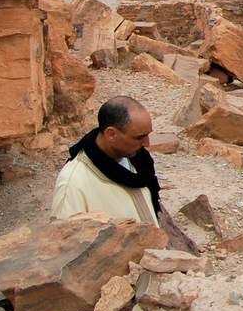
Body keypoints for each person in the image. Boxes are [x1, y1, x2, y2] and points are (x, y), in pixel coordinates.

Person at [51, 96, 161, 226]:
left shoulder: (141, 162)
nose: (147, 144)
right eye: (139, 138)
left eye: (147, 135)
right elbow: (65, 235)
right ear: (111, 134)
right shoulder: (73, 183)